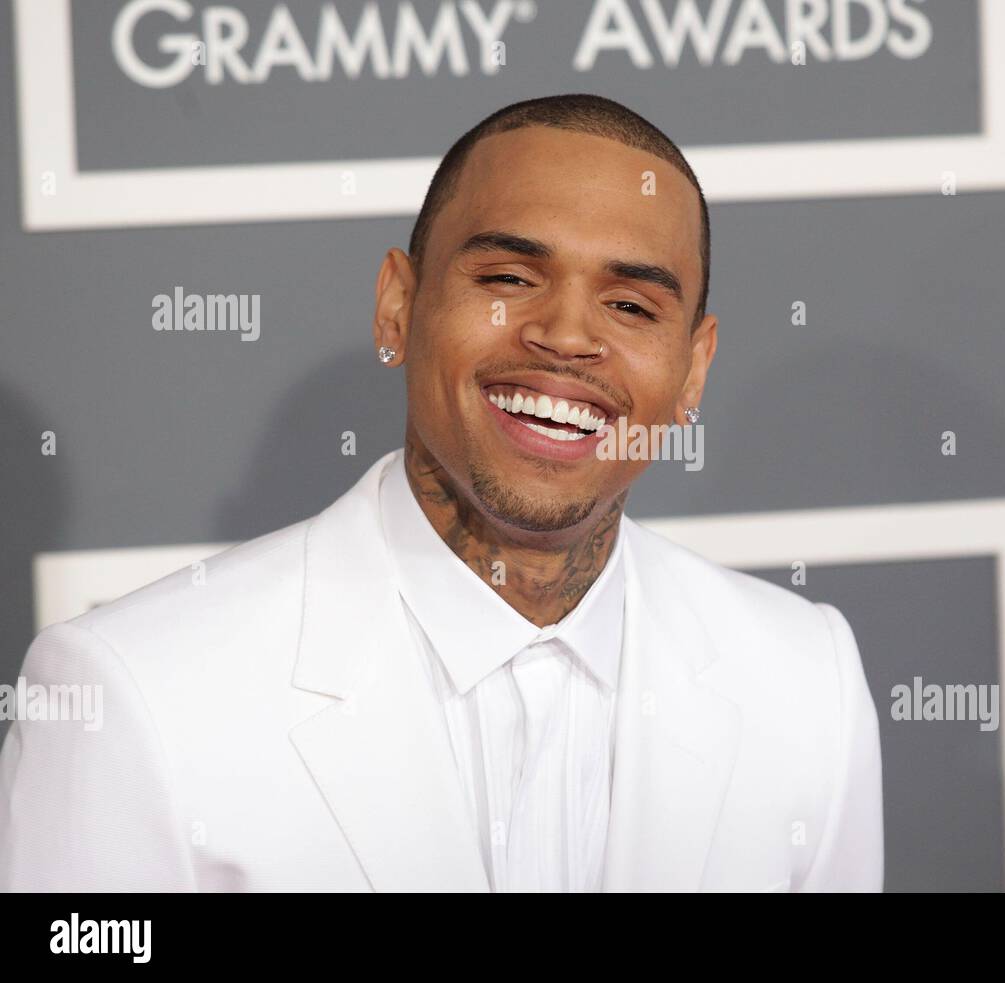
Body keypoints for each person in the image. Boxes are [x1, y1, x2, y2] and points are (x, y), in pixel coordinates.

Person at [0, 94, 882, 892]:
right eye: (508, 278)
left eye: (631, 306)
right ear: (398, 306)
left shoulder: (808, 682)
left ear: (693, 369)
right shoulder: (133, 693)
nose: (565, 335)